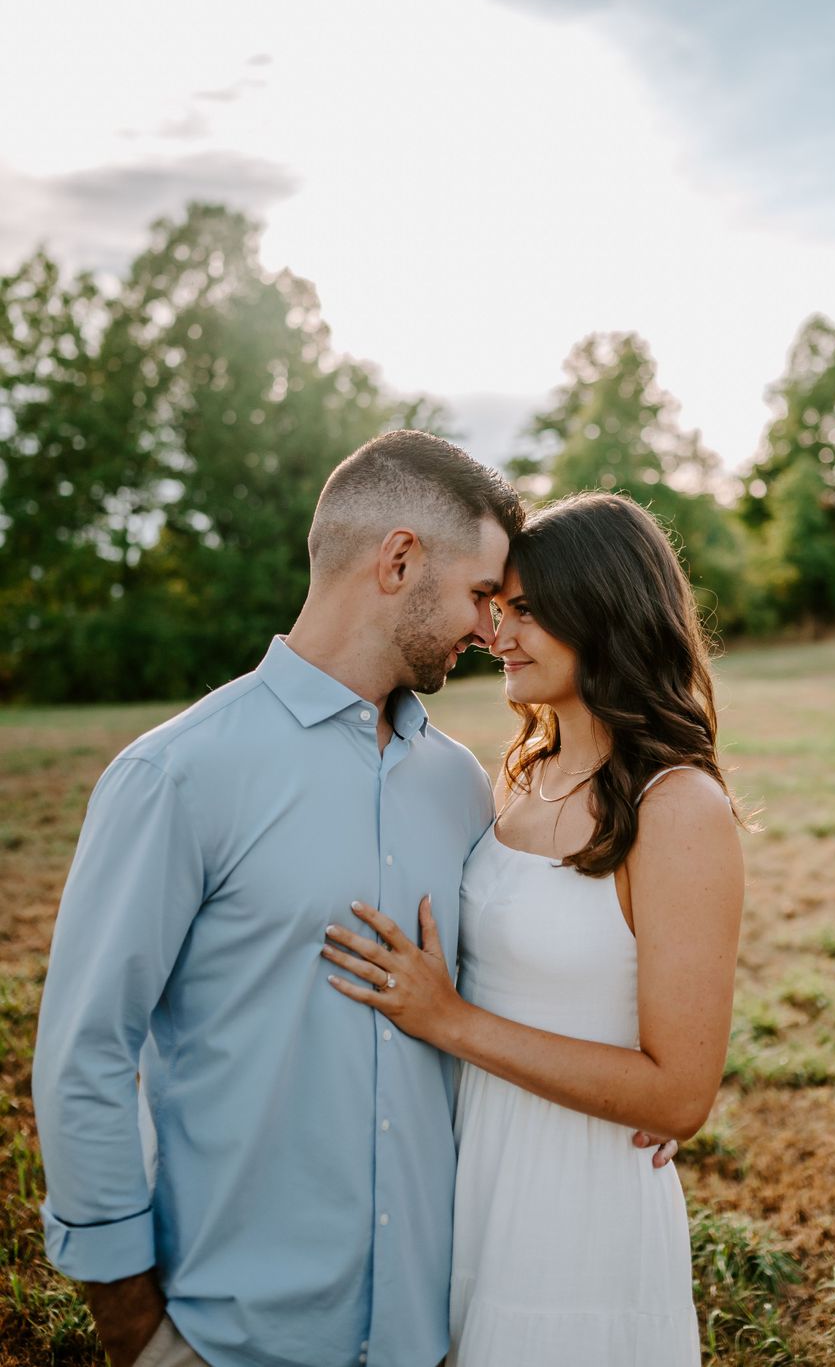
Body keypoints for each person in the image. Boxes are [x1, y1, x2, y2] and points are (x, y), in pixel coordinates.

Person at [31, 430, 525, 1367]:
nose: (492, 629)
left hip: (427, 1333)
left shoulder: (460, 786)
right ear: (399, 559)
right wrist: (137, 1330)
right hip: (232, 1337)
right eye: (482, 595)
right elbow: (85, 1053)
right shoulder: (177, 775)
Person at [323, 491, 746, 1366]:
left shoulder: (678, 808)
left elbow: (679, 1096)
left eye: (527, 610)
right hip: (477, 1167)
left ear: (605, 612)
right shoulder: (518, 777)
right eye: (498, 607)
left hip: (580, 1199)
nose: (496, 632)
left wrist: (449, 1020)